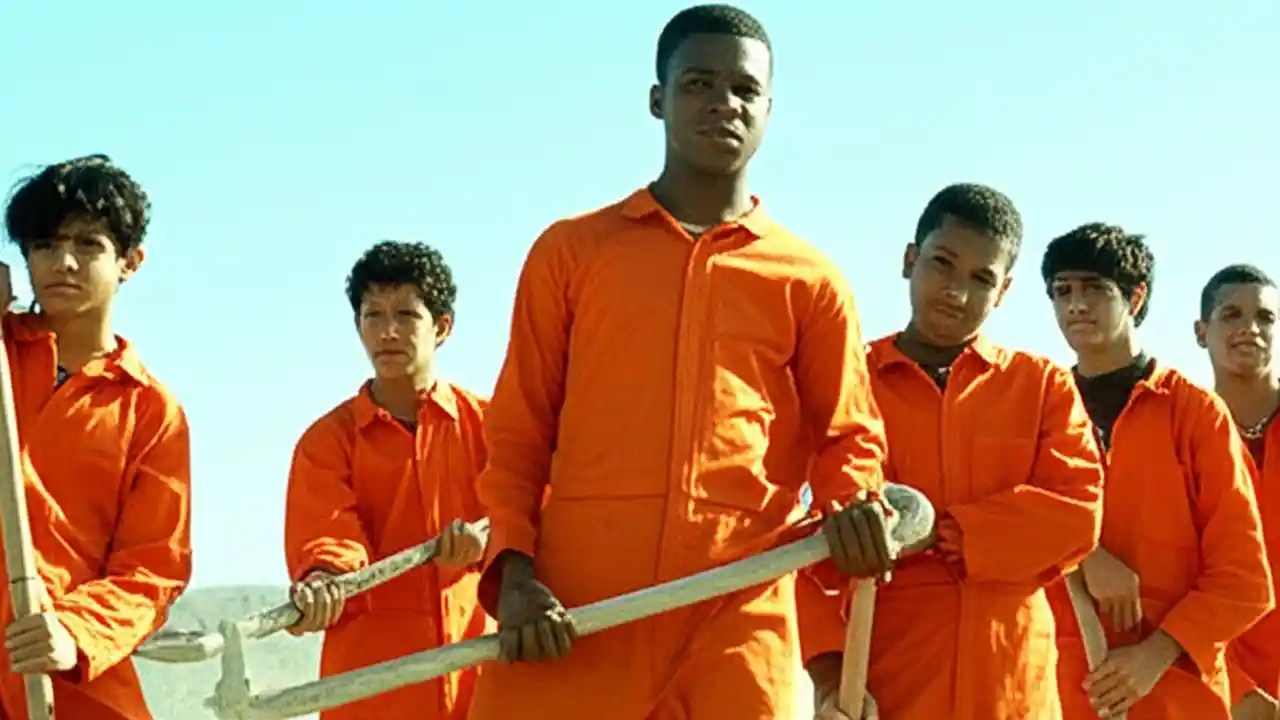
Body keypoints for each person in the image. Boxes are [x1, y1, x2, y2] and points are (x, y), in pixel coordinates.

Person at [467, 5, 893, 719]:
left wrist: (853, 504)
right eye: (698, 83)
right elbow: (517, 433)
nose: (722, 103)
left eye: (744, 90)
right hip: (574, 617)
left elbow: (851, 436)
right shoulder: (571, 253)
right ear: (657, 99)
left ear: (768, 110)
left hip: (734, 616)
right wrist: (511, 573)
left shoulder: (810, 278)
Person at [796, 183, 1107, 720]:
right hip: (886, 687)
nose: (957, 292)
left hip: (1014, 691)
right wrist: (830, 682)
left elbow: (1079, 512)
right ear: (909, 260)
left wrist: (956, 533)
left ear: (1004, 290)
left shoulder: (1042, 386)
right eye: (942, 263)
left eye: (981, 278)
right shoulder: (847, 384)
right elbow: (804, 553)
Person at [1041, 226, 1273, 719]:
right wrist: (1086, 554)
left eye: (1095, 288)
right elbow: (1005, 525)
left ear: (1135, 295)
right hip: (1052, 690)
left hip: (1173, 695)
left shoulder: (1194, 413)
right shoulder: (1035, 407)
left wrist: (1153, 656)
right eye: (1063, 291)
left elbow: (1244, 580)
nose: (1076, 305)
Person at [0, 154, 192, 719]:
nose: (63, 262)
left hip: (67, 675)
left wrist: (74, 634)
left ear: (130, 261)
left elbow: (153, 568)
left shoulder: (150, 411)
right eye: (43, 245)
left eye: (88, 245)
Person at [282, 240, 491, 720]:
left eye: (406, 314)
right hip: (373, 689)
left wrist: (488, 540)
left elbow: (531, 516)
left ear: (442, 327)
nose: (388, 331)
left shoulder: (493, 427)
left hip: (484, 678)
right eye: (373, 314)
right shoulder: (326, 442)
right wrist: (325, 581)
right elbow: (327, 537)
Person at [1195, 264, 1280, 720]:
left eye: (1266, 317)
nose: (1250, 329)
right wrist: (1235, 690)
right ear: (1200, 331)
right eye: (1232, 314)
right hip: (1211, 686)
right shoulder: (1180, 433)